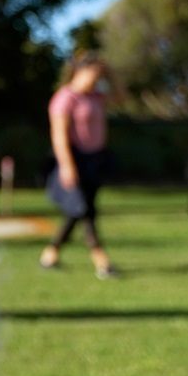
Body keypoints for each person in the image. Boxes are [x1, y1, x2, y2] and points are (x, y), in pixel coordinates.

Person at [40, 51, 121, 279]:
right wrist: (67, 165)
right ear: (80, 71)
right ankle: (102, 261)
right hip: (74, 159)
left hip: (95, 158)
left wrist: (111, 74)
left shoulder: (96, 96)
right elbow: (59, 136)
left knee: (78, 211)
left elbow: (122, 98)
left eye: (100, 73)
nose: (97, 78)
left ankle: (50, 253)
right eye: (94, 72)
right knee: (85, 210)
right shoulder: (65, 97)